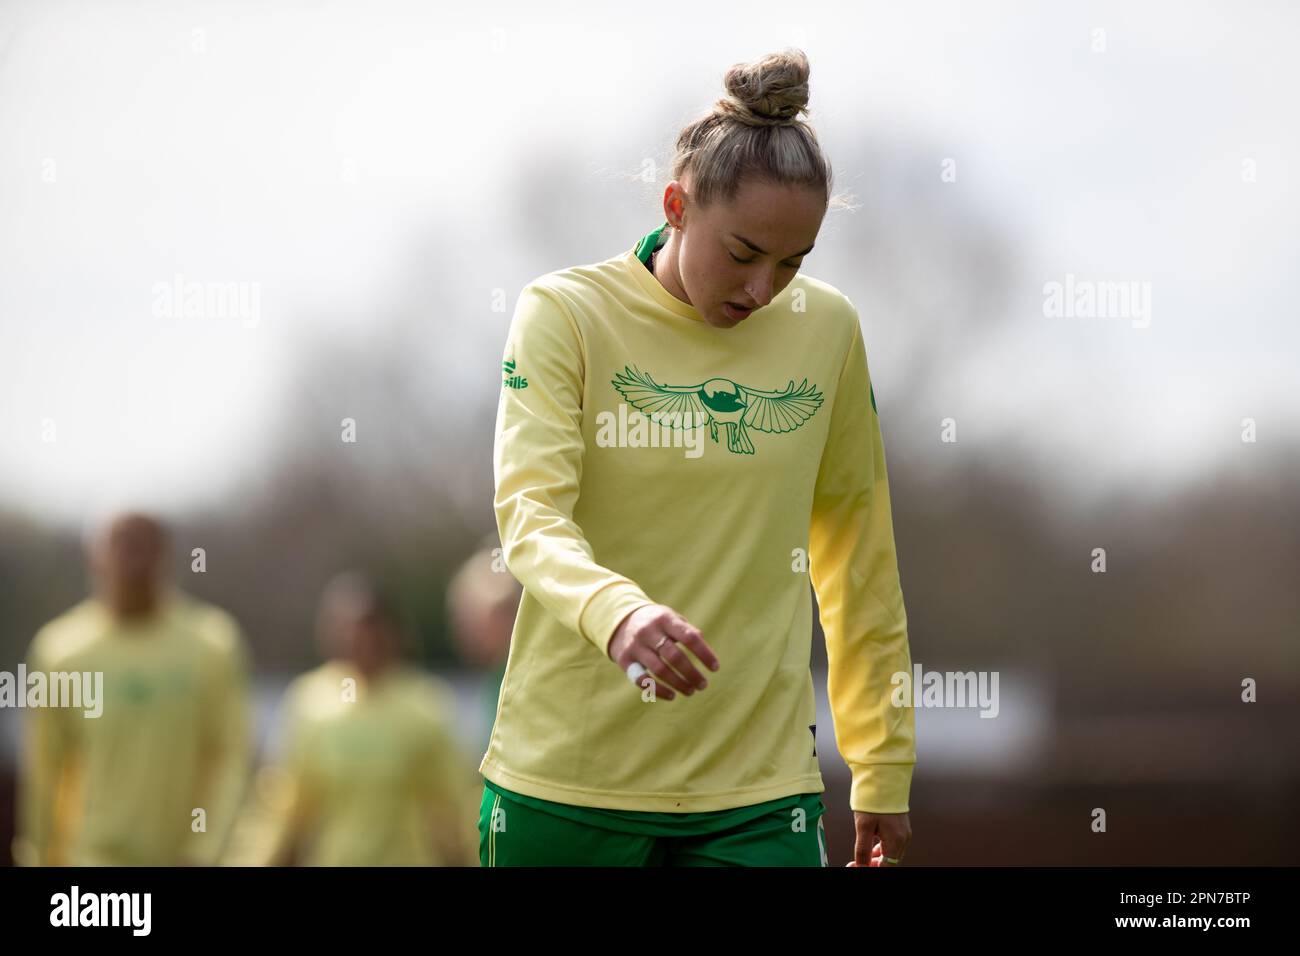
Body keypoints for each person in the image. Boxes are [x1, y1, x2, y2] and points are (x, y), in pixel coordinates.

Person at [480, 48, 915, 867]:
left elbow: (859, 560)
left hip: (758, 799)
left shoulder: (829, 331)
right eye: (745, 253)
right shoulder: (565, 314)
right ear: (677, 205)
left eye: (793, 263)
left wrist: (882, 765)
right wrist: (620, 613)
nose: (763, 291)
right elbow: (530, 517)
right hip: (564, 789)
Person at [13, 511, 252, 866]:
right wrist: (41, 854)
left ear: (166, 556)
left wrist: (206, 850)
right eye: (122, 544)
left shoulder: (212, 643)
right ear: (95, 555)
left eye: (147, 545)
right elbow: (45, 765)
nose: (135, 558)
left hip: (182, 859)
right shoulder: (61, 650)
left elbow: (232, 757)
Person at [225, 571, 479, 866]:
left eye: (369, 628)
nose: (359, 640)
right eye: (347, 628)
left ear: (392, 633)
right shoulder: (311, 702)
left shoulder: (425, 704)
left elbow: (456, 811)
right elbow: (282, 809)